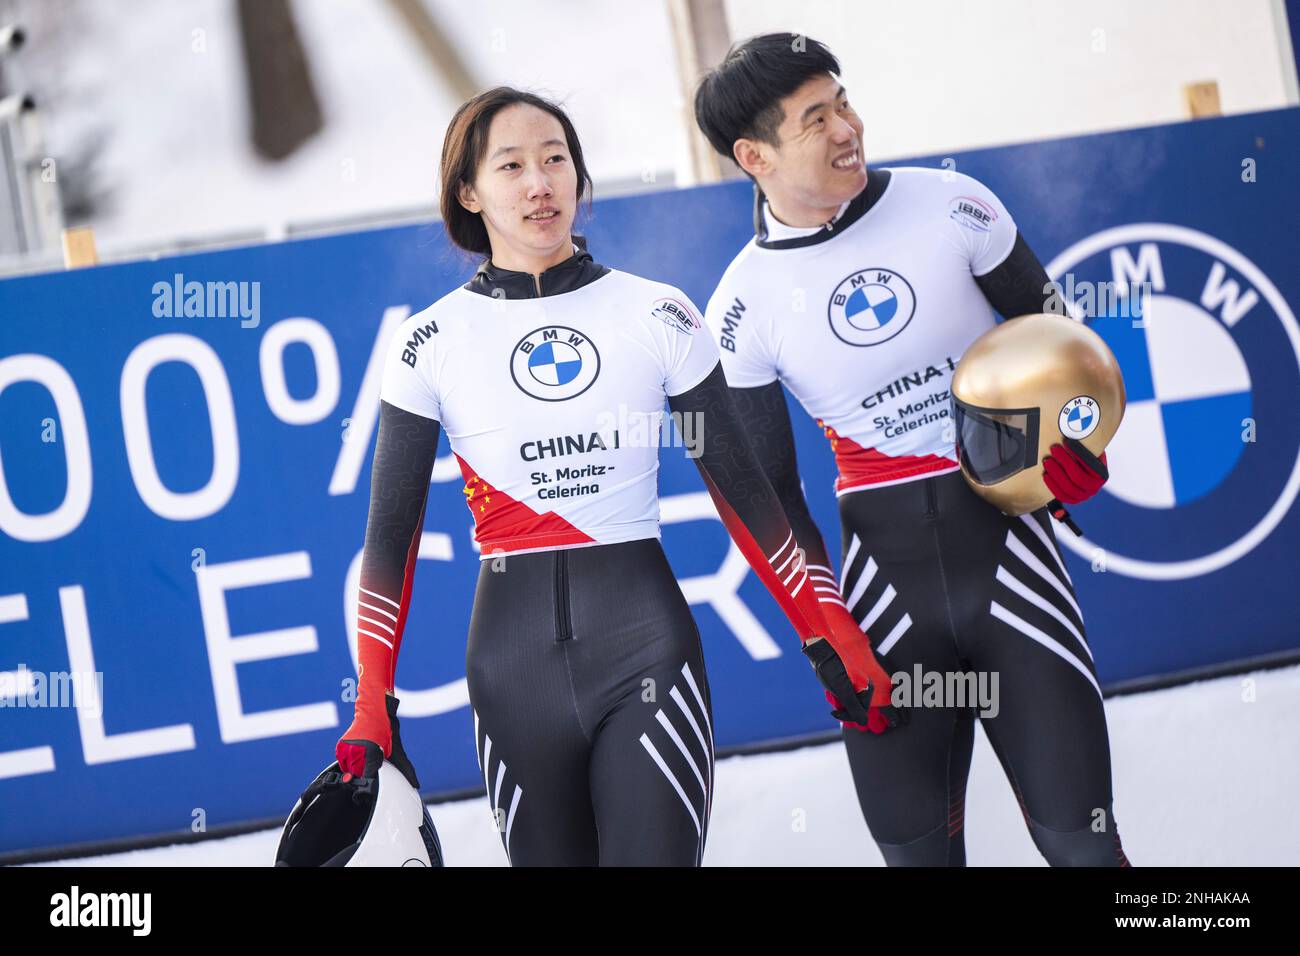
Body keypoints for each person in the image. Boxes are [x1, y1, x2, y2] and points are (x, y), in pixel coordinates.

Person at [334, 86, 899, 867]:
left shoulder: (657, 314)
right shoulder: (428, 342)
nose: (540, 184)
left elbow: (745, 499)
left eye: (556, 160)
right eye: (512, 166)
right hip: (510, 674)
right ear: (469, 192)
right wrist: (372, 698)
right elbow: (388, 541)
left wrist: (824, 629)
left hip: (647, 654)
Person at [693, 34, 1128, 866]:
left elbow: (1068, 353)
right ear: (753, 155)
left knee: (1086, 849)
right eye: (814, 118)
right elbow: (773, 503)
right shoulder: (742, 306)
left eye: (843, 101)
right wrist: (829, 638)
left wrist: (1079, 445)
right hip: (883, 610)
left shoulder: (953, 204)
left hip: (1013, 568)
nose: (846, 126)